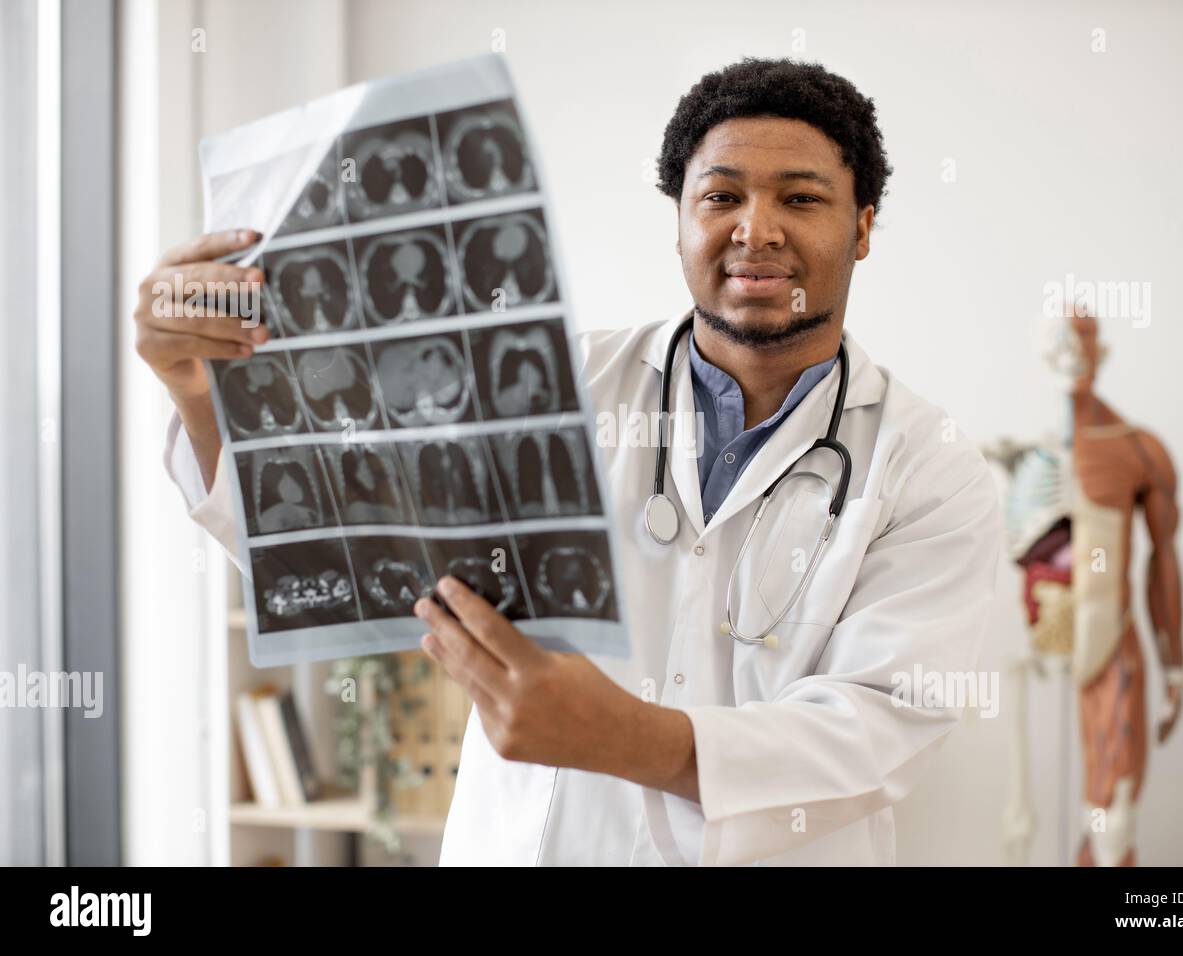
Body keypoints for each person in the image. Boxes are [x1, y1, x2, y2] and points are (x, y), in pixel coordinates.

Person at [134, 57, 1002, 866]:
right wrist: (197, 389)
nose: (756, 229)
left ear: (863, 227)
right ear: (680, 225)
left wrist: (620, 735)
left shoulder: (930, 467)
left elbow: (877, 730)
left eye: (802, 199)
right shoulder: (548, 386)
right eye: (721, 196)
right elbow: (345, 546)